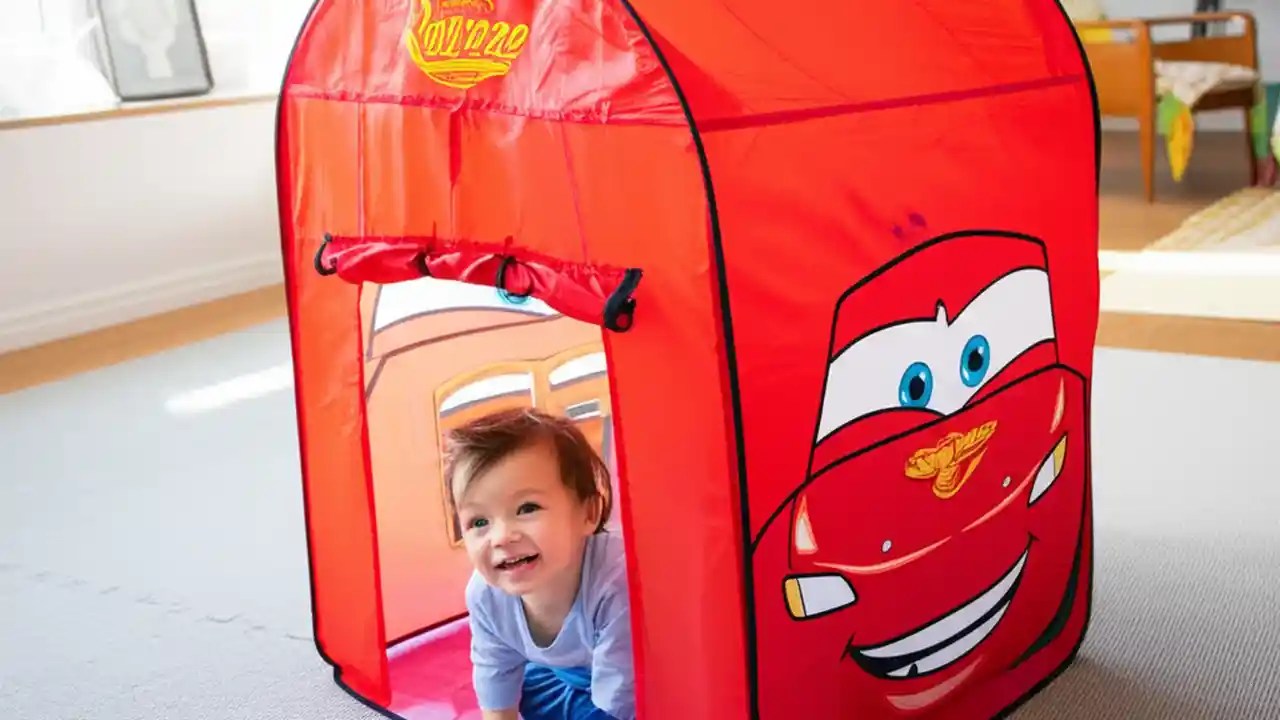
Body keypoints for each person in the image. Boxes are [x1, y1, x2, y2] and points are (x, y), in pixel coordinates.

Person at [444, 407, 635, 720]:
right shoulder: (485, 595)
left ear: (588, 514)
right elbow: (496, 687)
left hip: (637, 680)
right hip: (565, 675)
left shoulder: (616, 581)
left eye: (527, 507)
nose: (501, 537)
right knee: (523, 688)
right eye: (479, 521)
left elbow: (621, 705)